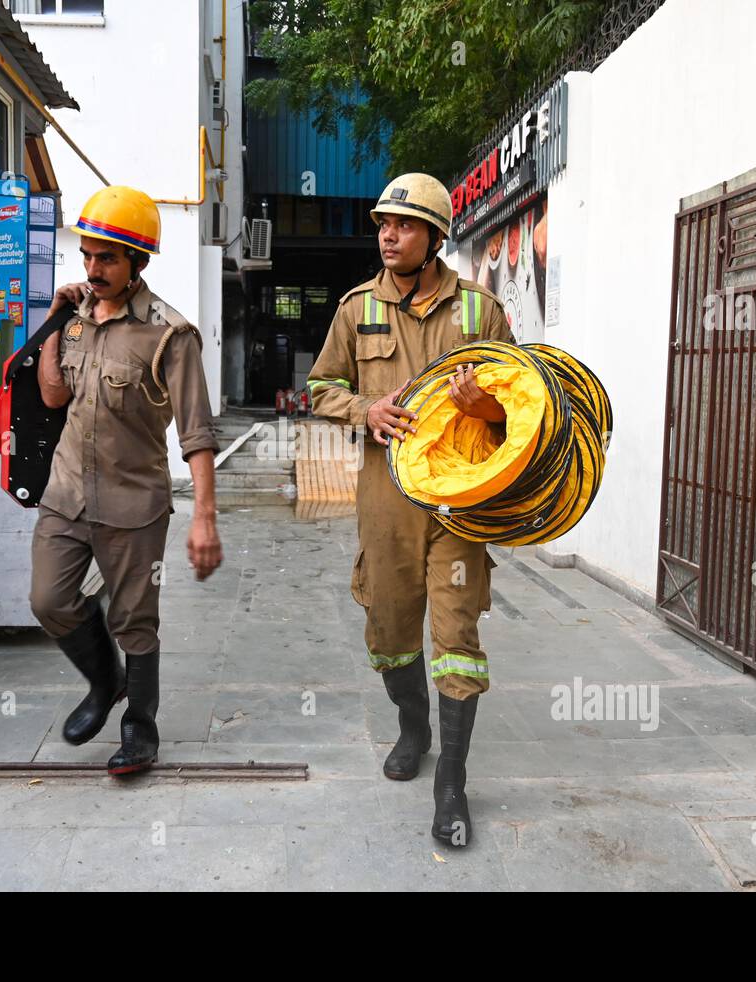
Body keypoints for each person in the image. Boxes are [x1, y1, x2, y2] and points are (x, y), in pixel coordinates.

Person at [307, 173, 514, 846]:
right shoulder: (355, 309)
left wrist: (488, 407)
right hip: (386, 505)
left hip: (459, 511)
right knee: (389, 633)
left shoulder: (481, 312)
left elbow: (524, 405)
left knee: (457, 643)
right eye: (382, 225)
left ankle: (450, 784)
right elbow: (319, 388)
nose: (387, 235)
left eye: (402, 226)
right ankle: (413, 725)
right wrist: (362, 409)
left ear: (434, 237)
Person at [29, 185, 222, 774]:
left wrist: (205, 520)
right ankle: (105, 679)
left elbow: (197, 432)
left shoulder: (171, 335)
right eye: (87, 256)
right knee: (50, 600)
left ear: (137, 262)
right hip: (65, 494)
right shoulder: (77, 319)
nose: (93, 269)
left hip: (133, 503)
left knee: (134, 621)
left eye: (107, 258)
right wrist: (55, 323)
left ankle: (140, 729)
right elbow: (52, 394)